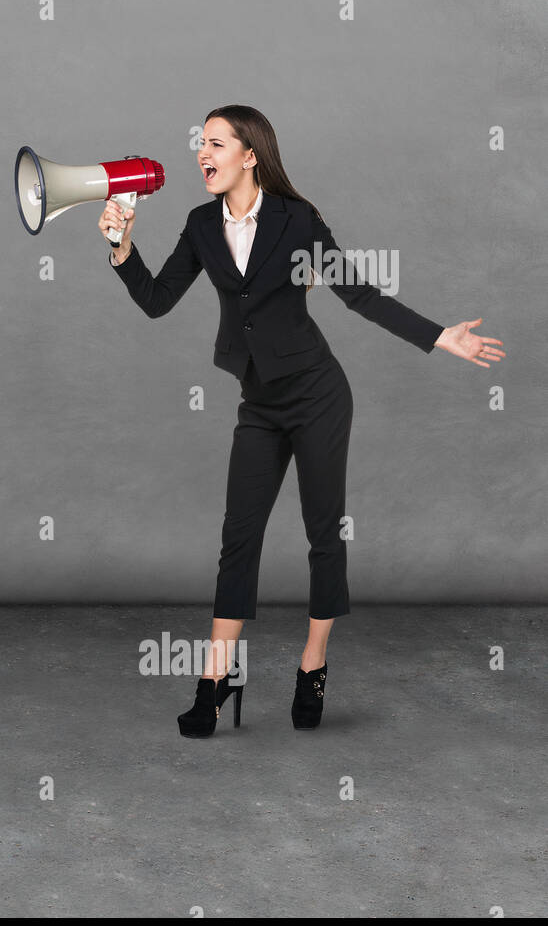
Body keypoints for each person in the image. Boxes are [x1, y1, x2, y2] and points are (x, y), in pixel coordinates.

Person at [101, 104, 505, 737]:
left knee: (324, 533)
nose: (201, 153)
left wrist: (439, 337)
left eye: (215, 143)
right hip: (259, 401)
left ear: (249, 154)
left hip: (318, 393)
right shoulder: (201, 225)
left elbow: (358, 294)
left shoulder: (297, 220)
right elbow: (156, 301)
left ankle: (312, 666)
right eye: (198, 144)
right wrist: (122, 246)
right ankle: (214, 681)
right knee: (239, 536)